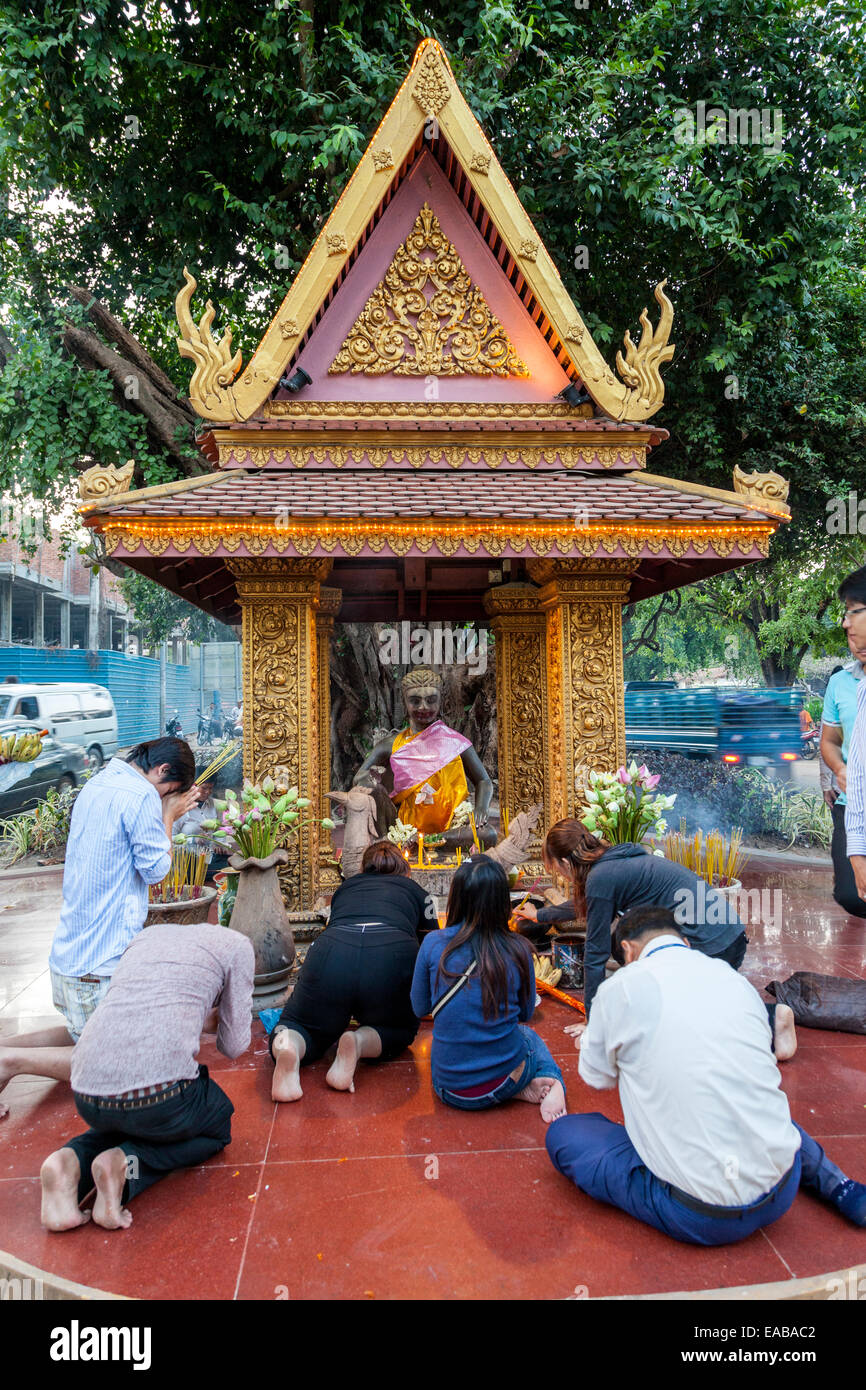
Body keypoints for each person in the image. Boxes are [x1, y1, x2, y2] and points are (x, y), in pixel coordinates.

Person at [545, 907, 866, 1244]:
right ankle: (842, 1188)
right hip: (782, 1188)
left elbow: (597, 1077)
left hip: (702, 1216)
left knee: (565, 1135)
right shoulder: (733, 980)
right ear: (684, 942)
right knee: (755, 1105)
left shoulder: (620, 988)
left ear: (627, 950)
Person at [0, 737, 200, 1117]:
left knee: (89, 1030)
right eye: (169, 791)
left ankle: (8, 1047)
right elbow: (157, 871)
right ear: (162, 772)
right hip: (98, 965)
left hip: (73, 958)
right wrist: (169, 815)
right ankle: (10, 1062)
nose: (165, 797)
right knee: (123, 1063)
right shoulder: (141, 795)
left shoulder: (101, 780)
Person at [39, 922, 254, 1231]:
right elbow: (233, 1047)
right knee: (217, 1124)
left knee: (128, 1122)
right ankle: (128, 1166)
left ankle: (69, 1163)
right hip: (159, 1100)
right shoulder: (239, 946)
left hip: (86, 1087)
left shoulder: (148, 936)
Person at [515, 820, 796, 1053]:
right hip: (726, 937)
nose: (560, 875)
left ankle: (770, 1020)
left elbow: (595, 954)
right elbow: (590, 903)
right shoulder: (611, 862)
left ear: (566, 862)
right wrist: (538, 916)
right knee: (621, 944)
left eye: (556, 868)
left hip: (713, 948)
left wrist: (594, 1021)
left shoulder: (602, 877)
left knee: (680, 1020)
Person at [269, 840, 436, 1102]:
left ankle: (289, 1049)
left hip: (333, 951)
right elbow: (431, 947)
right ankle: (358, 1043)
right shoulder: (419, 892)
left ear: (363, 867)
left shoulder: (345, 888)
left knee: (296, 1024)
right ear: (406, 869)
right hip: (391, 956)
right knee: (398, 1028)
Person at [411, 854, 567, 1123]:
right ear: (501, 900)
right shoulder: (517, 947)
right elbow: (525, 1014)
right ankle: (552, 1082)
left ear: (456, 897)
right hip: (505, 1077)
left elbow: (419, 1007)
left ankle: (514, 1089)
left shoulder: (433, 943)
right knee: (529, 1037)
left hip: (449, 1088)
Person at [353, 665, 493, 843]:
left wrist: (481, 807)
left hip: (452, 828)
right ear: (404, 703)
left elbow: (484, 781)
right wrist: (367, 780)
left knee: (487, 835)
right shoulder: (389, 745)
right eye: (415, 700)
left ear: (440, 702)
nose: (423, 707)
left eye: (431, 700)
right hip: (404, 828)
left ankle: (427, 841)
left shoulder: (456, 743)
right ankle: (417, 842)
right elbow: (359, 776)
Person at [827, 566, 866, 910]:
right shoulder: (844, 683)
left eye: (853, 612)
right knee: (852, 895)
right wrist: (839, 769)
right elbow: (831, 742)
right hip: (852, 802)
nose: (845, 624)